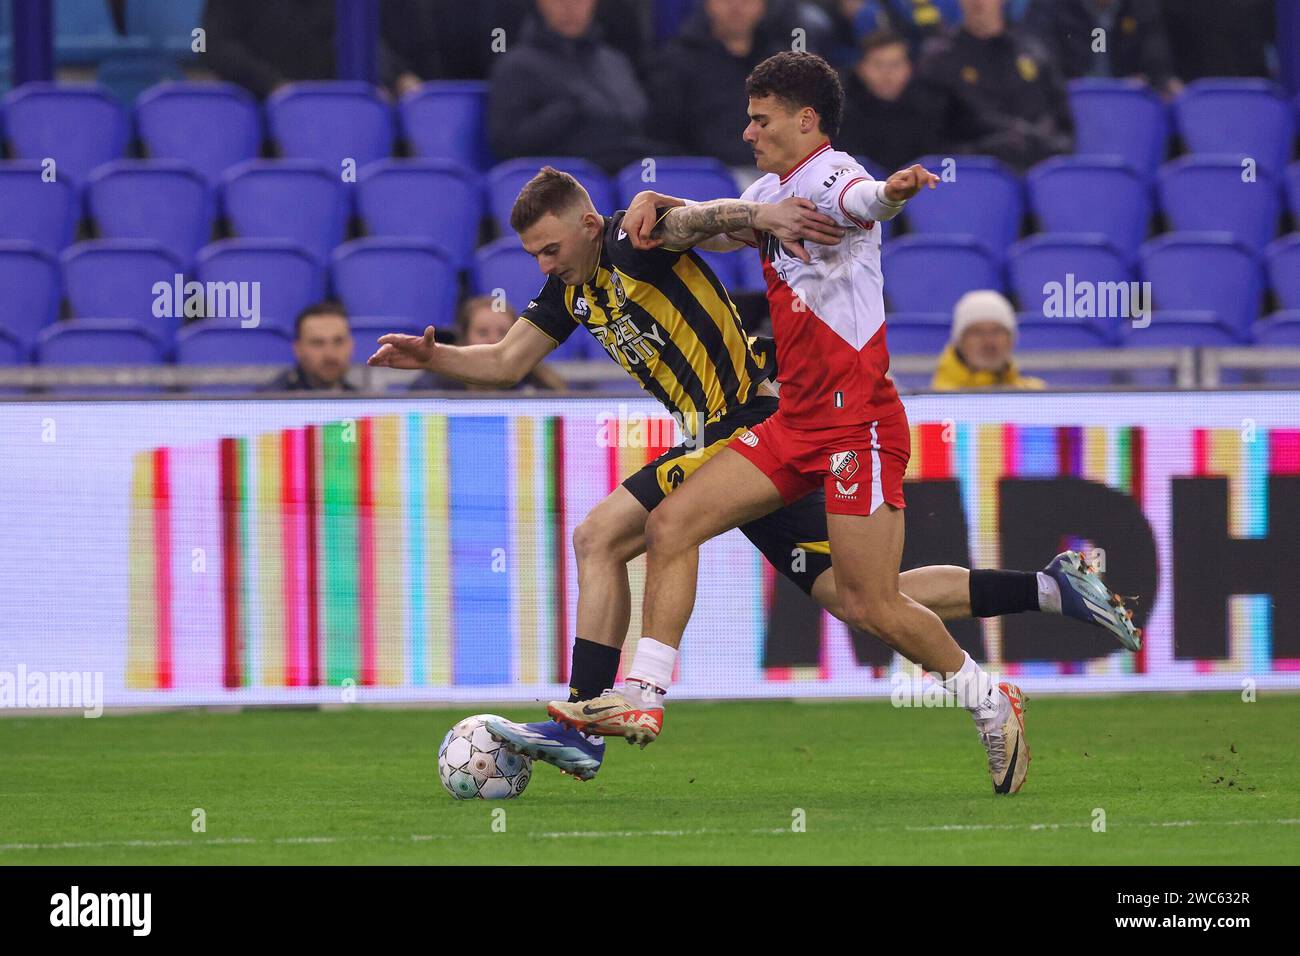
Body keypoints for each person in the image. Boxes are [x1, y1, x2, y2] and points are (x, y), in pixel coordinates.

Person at [371, 166, 1139, 786]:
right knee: (862, 598)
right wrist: (432, 356)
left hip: (746, 428)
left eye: (548, 248)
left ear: (587, 224)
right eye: (532, 256)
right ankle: (1051, 589)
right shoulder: (570, 291)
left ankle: (590, 720)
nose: (542, 265)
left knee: (600, 536)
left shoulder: (640, 239)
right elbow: (505, 362)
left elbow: (699, 221)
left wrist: (759, 216)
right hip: (747, 447)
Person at [549, 52, 1123, 795]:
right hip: (794, 419)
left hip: (861, 428)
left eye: (760, 118)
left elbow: (862, 202)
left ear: (804, 119)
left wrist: (894, 190)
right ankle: (645, 696)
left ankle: (988, 697)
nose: (748, 130)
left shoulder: (833, 175)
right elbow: (712, 232)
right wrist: (661, 204)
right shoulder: (767, 191)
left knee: (870, 602)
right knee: (673, 523)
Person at [486, 0, 664, 172]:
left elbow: (642, 120)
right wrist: (567, 110)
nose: (569, 6)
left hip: (632, 170)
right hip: (564, 183)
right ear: (539, 3)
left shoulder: (614, 61)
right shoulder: (516, 65)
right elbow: (507, 144)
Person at [917, 0, 1073, 171]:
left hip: (1037, 166)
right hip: (973, 174)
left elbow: (1063, 126)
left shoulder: (1033, 51)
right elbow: (932, 138)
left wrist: (1039, 142)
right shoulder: (941, 59)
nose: (978, 3)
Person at [651, 0, 791, 168]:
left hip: (780, 172)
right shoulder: (677, 61)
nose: (737, 6)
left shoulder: (784, 64)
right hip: (708, 176)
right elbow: (663, 133)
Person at [409, 296, 566, 392]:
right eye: (482, 332)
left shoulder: (539, 386)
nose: (493, 341)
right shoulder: (434, 386)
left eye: (503, 332)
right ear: (464, 338)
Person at [1022, 0, 1180, 96]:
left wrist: (1150, 80)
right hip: (1069, 109)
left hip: (1125, 106)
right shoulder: (1052, 6)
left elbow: (1157, 59)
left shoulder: (1140, 6)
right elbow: (1036, 47)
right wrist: (1062, 85)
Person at [837, 30, 944, 172]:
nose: (887, 74)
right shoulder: (841, 115)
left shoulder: (931, 110)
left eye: (895, 64)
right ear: (861, 69)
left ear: (909, 68)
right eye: (878, 65)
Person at [931, 290, 1046, 391]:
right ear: (959, 342)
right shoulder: (935, 403)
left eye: (997, 331)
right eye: (977, 332)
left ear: (1011, 340)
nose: (989, 341)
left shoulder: (1036, 394)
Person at [264, 302, 357, 392]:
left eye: (338, 342)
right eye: (318, 343)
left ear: (351, 345)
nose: (330, 354)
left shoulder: (363, 402)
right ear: (298, 349)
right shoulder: (270, 402)